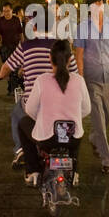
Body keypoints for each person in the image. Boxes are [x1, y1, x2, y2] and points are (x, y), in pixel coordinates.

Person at [1, 21, 79, 167]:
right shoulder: (62, 46)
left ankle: (21, 151)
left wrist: (1, 75)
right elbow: (75, 74)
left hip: (35, 105)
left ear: (34, 27)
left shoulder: (26, 46)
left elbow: (6, 68)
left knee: (18, 115)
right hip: (67, 119)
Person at [20, 39, 91, 187]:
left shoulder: (42, 80)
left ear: (49, 58)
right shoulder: (79, 81)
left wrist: (41, 119)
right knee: (76, 128)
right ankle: (74, 171)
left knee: (23, 123)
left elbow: (30, 110)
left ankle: (33, 170)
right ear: (70, 60)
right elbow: (86, 109)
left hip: (47, 140)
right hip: (72, 140)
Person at [74, 0, 109, 173]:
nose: (99, 6)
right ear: (89, 7)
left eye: (101, 2)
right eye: (96, 3)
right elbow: (78, 55)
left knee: (108, 114)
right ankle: (106, 158)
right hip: (91, 77)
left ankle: (95, 136)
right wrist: (80, 79)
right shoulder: (82, 27)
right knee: (97, 115)